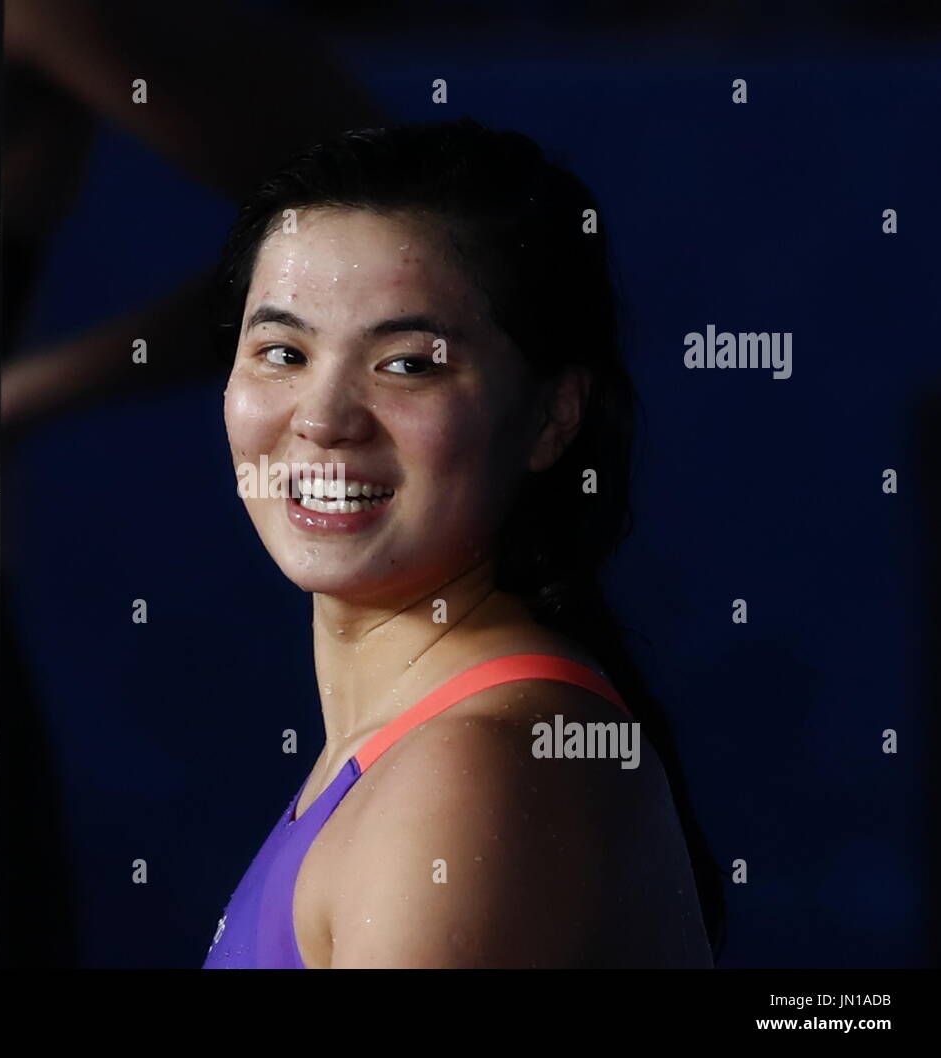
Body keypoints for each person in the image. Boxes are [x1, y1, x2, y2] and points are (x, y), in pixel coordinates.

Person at [201, 118, 724, 968]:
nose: (325, 419)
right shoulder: (413, 744)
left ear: (552, 418)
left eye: (408, 364)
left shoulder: (467, 772)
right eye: (283, 351)